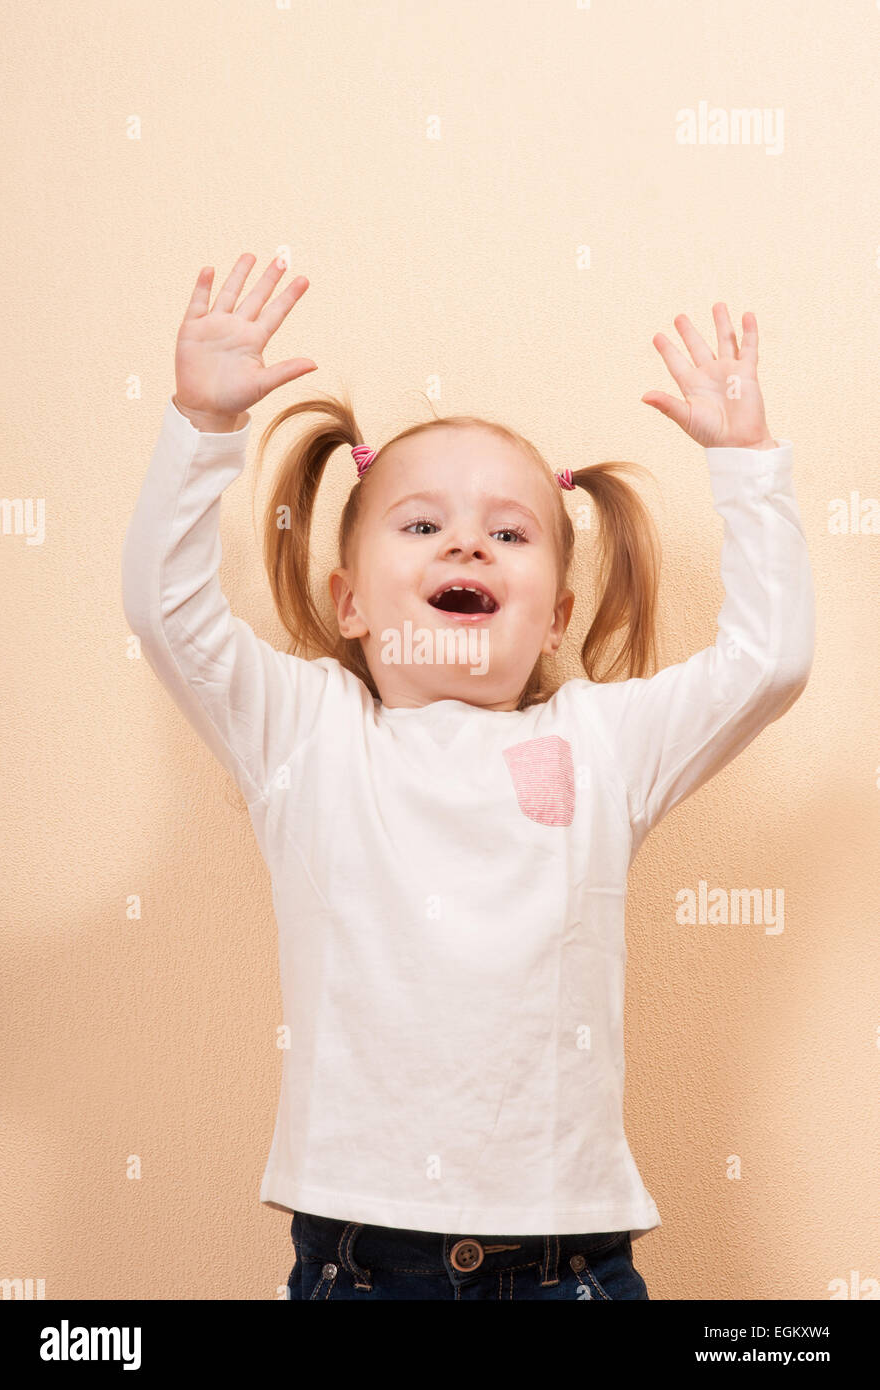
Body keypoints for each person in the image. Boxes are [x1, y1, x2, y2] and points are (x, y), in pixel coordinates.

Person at [121, 252, 815, 1300]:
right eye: (421, 524)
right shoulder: (305, 734)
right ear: (351, 602)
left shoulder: (601, 746)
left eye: (507, 531)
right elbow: (165, 611)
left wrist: (747, 465)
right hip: (360, 1263)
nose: (467, 545)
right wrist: (200, 426)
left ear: (555, 618)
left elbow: (769, 661)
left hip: (565, 1269)